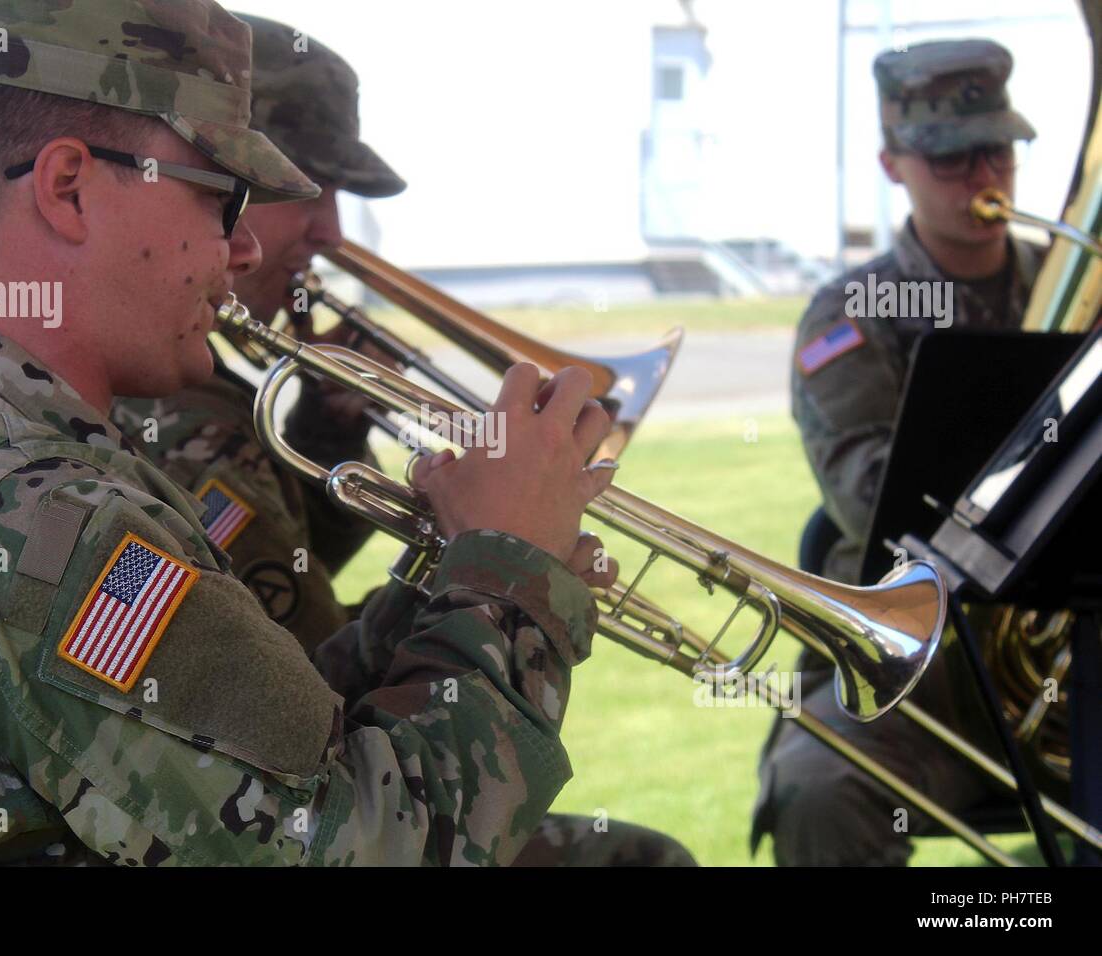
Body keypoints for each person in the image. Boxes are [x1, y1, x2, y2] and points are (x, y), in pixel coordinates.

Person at [0, 0, 620, 867]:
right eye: (220, 196)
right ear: (68, 187)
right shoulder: (49, 517)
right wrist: (510, 579)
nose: (243, 252)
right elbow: (374, 847)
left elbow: (261, 747)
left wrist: (445, 589)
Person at [112, 13, 695, 868]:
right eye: (288, 189)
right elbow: (319, 705)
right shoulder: (185, 411)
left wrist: (329, 433)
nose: (333, 234)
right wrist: (505, 578)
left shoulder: (204, 394)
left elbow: (291, 645)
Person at [751, 39, 1047, 866]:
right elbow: (874, 500)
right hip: (925, 675)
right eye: (947, 156)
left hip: (1072, 659)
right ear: (893, 164)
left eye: (996, 149)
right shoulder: (856, 313)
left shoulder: (1074, 288)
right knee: (818, 790)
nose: (980, 175)